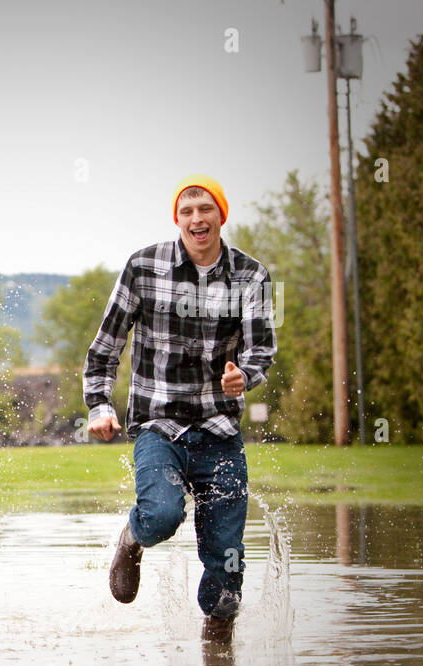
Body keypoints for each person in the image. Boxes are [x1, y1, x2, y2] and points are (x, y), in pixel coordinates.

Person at [83, 176, 277, 642]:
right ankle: (132, 538)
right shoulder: (143, 267)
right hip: (159, 426)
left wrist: (243, 377)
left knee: (228, 561)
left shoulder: (251, 276)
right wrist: (98, 407)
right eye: (187, 211)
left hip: (220, 432)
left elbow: (261, 351)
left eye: (205, 209)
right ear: (178, 219)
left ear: (220, 216)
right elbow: (105, 350)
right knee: (161, 515)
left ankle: (218, 658)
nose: (196, 218)